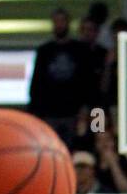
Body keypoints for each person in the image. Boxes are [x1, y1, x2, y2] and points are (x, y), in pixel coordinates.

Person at [28, 8, 94, 145]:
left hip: (74, 112)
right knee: (50, 149)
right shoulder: (44, 51)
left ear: (68, 23)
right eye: (56, 21)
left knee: (76, 146)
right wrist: (35, 113)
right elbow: (36, 83)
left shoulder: (81, 50)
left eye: (62, 21)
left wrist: (87, 108)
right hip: (50, 113)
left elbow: (88, 82)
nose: (59, 24)